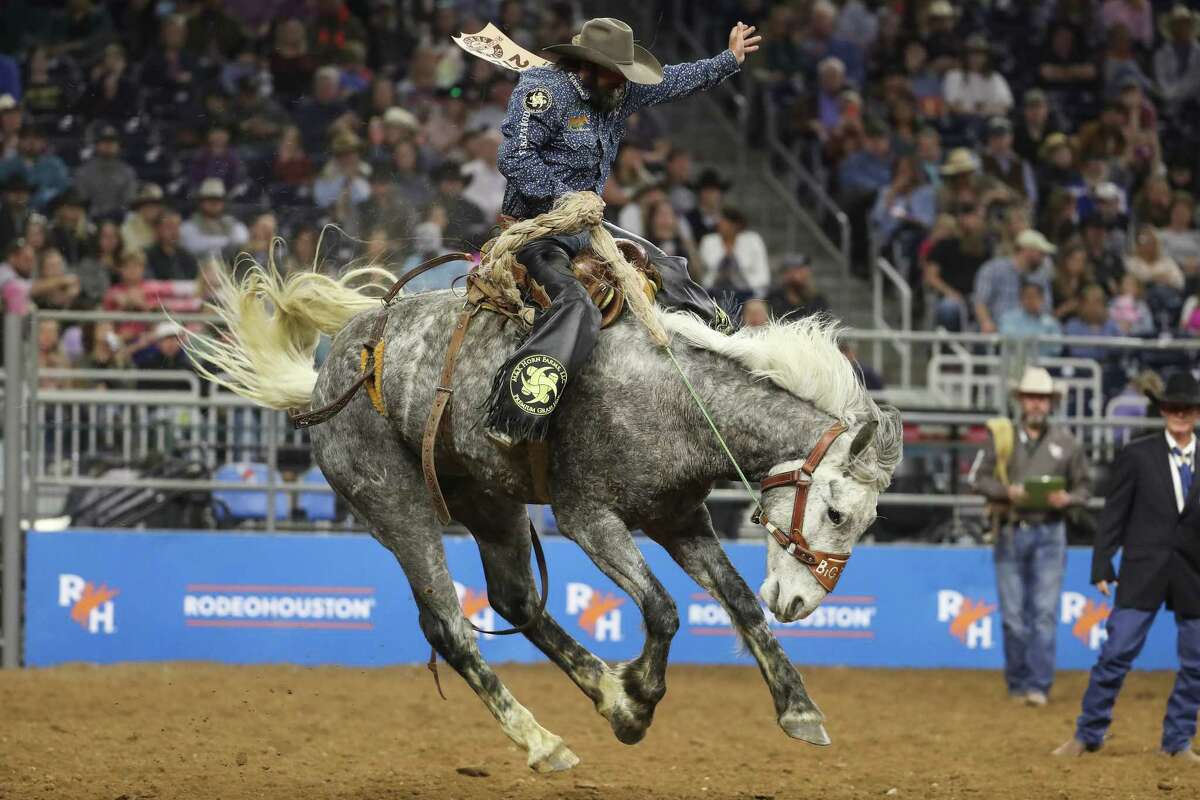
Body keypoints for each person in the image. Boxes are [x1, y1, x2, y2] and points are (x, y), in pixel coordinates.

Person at [486, 17, 759, 444]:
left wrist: (728, 60)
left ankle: (734, 349)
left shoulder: (618, 90)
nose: (623, 83)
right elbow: (515, 158)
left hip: (588, 226)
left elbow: (671, 81)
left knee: (669, 267)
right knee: (576, 304)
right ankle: (517, 410)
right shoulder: (543, 92)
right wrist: (565, 199)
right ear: (588, 67)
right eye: (616, 73)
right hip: (535, 229)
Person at [1055, 372, 1200, 761]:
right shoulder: (1137, 454)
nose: (1180, 413)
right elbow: (1114, 515)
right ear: (1162, 409)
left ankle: (1177, 741)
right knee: (1116, 652)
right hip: (1142, 568)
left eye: (1187, 407)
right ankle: (1088, 732)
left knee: (1197, 662)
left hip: (1195, 573)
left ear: (1197, 412)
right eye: (1173, 406)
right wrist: (1102, 562)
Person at [970, 366, 1091, 707]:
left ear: (1050, 403)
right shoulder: (1002, 437)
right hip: (1011, 529)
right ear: (1022, 400)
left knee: (1043, 613)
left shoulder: (1068, 443)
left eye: (1042, 398)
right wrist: (1007, 492)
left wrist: (1067, 499)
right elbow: (976, 478)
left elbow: (1084, 488)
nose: (1037, 404)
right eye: (1032, 397)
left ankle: (1036, 684)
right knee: (1013, 615)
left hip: (1051, 531)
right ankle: (1019, 683)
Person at [974, 229, 1056, 333]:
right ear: (1027, 251)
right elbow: (980, 301)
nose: (1044, 258)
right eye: (1041, 253)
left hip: (1031, 334)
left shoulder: (1041, 276)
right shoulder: (993, 269)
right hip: (996, 332)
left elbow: (1046, 307)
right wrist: (986, 322)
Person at [180, 178, 248, 264]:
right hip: (198, 271)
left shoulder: (231, 222)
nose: (214, 203)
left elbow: (241, 239)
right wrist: (227, 243)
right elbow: (194, 245)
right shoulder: (189, 225)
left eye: (218, 199)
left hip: (228, 270)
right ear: (201, 201)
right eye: (210, 199)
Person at [765, 254, 830, 320]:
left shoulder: (817, 300)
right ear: (785, 274)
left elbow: (825, 323)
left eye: (803, 270)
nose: (801, 274)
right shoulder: (773, 299)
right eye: (796, 270)